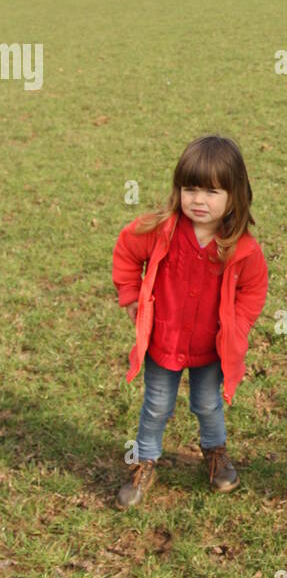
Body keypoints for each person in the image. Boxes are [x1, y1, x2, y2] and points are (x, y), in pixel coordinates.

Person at [111, 134, 268, 509]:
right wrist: (131, 296)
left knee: (207, 404)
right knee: (156, 405)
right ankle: (145, 460)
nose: (199, 200)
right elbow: (126, 251)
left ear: (235, 196)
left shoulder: (242, 248)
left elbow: (253, 290)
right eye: (190, 188)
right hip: (164, 343)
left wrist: (238, 326)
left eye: (212, 192)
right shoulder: (159, 230)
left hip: (210, 349)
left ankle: (215, 454)